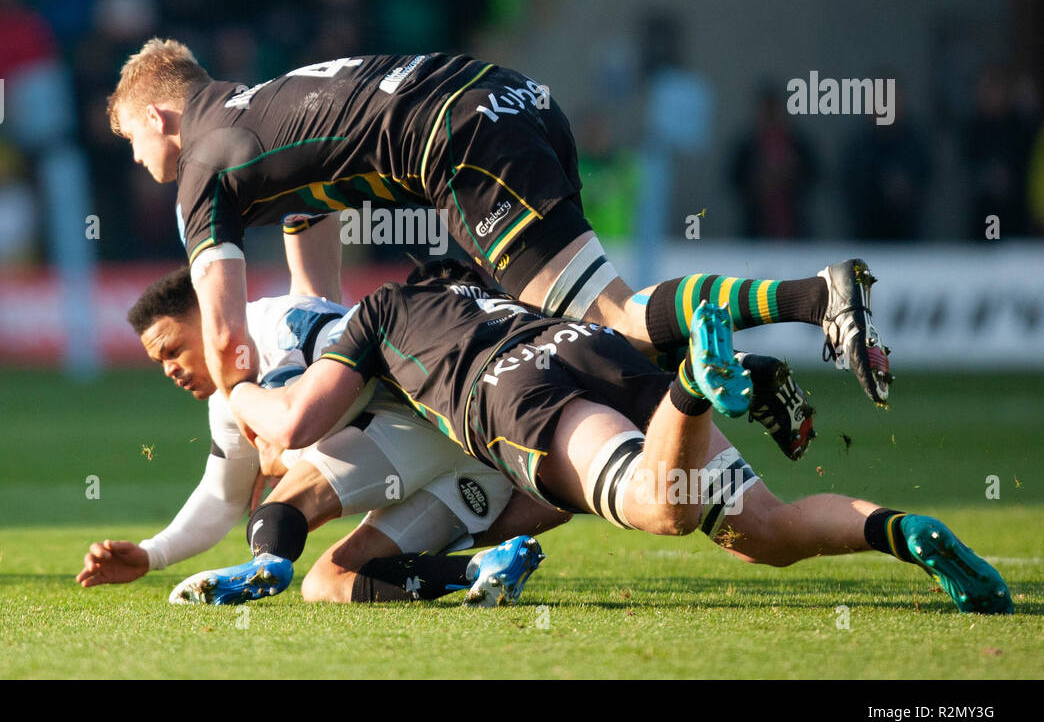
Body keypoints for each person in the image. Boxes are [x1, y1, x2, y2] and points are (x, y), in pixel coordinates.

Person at [106, 41, 892, 409]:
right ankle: (734, 378)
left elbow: (227, 342)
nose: (137, 161)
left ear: (158, 114)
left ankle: (814, 299)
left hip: (463, 140)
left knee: (604, 316)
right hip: (510, 96)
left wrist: (249, 414)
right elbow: (318, 297)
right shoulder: (268, 117)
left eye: (130, 141)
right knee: (567, 322)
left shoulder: (203, 171)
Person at [225, 261, 1012, 615]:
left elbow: (296, 423)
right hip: (585, 348)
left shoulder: (381, 312)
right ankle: (905, 532)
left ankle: (695, 386)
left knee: (660, 507)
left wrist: (245, 394)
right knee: (763, 531)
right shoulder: (494, 291)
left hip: (513, 396)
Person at [75, 266, 558, 606]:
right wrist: (151, 553)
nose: (169, 370)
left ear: (210, 315)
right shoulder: (230, 392)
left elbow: (310, 419)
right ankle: (483, 570)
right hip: (464, 469)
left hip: (429, 424)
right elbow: (223, 497)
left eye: (172, 349)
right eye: (158, 362)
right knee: (330, 581)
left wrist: (277, 455)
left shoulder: (281, 324)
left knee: (282, 504)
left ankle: (268, 565)